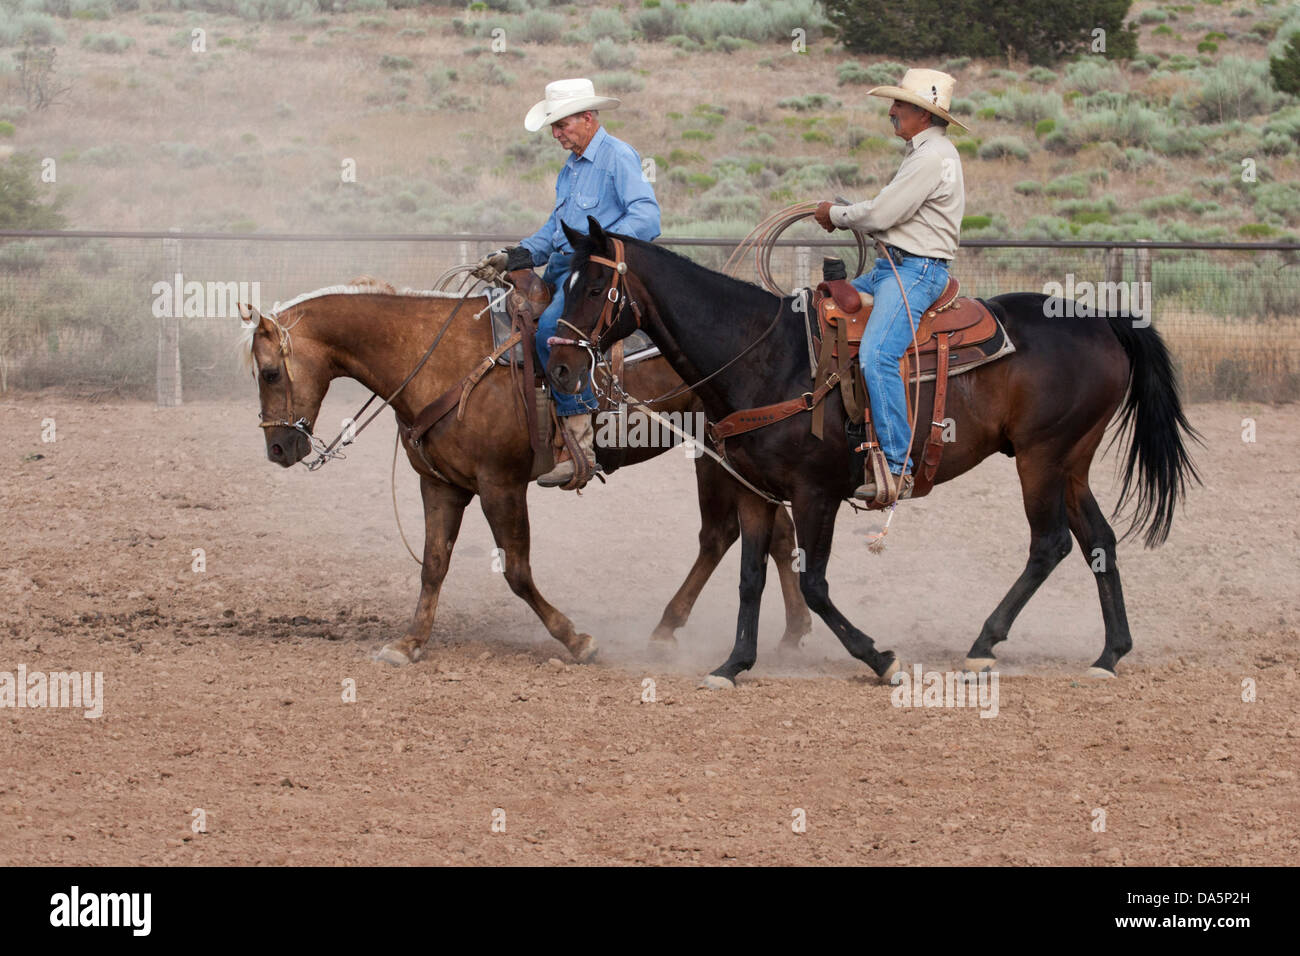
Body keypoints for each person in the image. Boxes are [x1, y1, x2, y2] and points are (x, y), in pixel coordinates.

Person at [474, 78, 661, 488]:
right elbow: (554, 232)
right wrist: (517, 255)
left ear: (588, 118)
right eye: (554, 127)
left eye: (561, 125)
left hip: (595, 274)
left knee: (553, 337)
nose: (556, 134)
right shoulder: (572, 168)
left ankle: (579, 448)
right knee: (500, 313)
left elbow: (648, 217)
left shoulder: (616, 157)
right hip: (566, 268)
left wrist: (601, 248)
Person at [813, 68, 968, 503]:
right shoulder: (926, 152)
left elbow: (882, 215)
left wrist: (835, 214)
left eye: (899, 105)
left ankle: (898, 468)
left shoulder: (931, 156)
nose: (891, 112)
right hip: (894, 268)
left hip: (916, 272)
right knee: (816, 309)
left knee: (879, 354)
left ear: (922, 112)